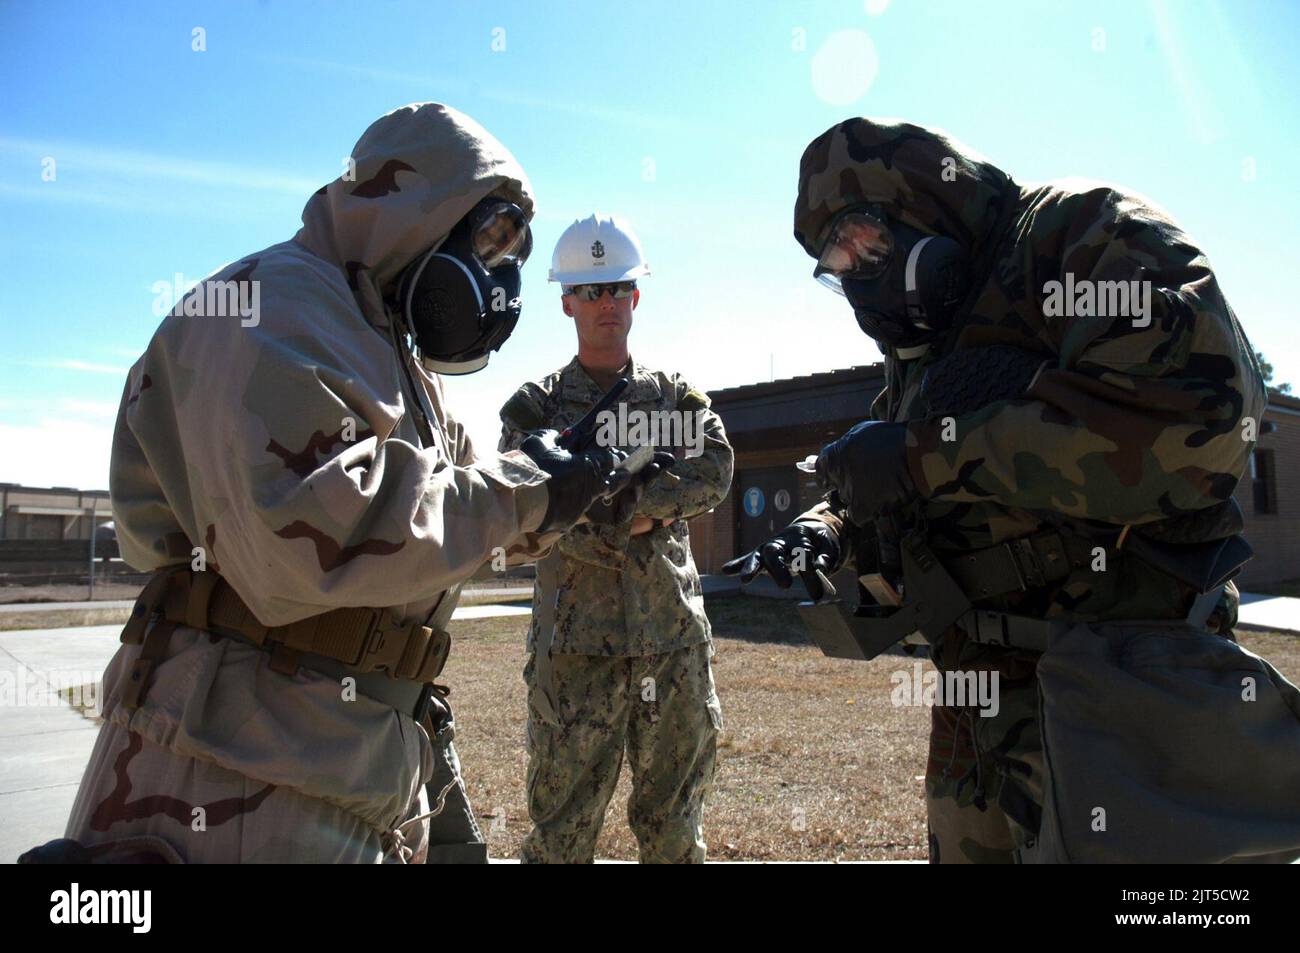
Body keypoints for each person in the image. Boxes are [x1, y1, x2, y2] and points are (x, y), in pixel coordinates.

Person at [47, 103, 667, 864]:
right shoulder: (270, 307)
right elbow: (307, 542)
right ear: (413, 210)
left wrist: (570, 482)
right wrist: (530, 488)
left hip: (333, 765)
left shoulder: (382, 347)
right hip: (229, 775)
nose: (498, 272)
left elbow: (457, 499)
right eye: (488, 240)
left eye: (511, 251)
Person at [725, 117, 1300, 863]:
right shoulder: (928, 339)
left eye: (867, 239)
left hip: (1118, 682)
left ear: (929, 204)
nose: (860, 274)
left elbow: (1203, 415)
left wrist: (924, 457)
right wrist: (827, 524)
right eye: (840, 263)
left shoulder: (1079, 236)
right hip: (977, 703)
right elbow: (894, 464)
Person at [498, 213, 734, 863]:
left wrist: (625, 504)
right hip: (575, 653)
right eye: (592, 290)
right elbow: (521, 504)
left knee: (674, 832)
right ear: (567, 300)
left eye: (618, 288)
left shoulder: (676, 397)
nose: (607, 303)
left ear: (637, 295)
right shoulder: (533, 409)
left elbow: (714, 468)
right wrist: (632, 517)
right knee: (561, 835)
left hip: (671, 642)